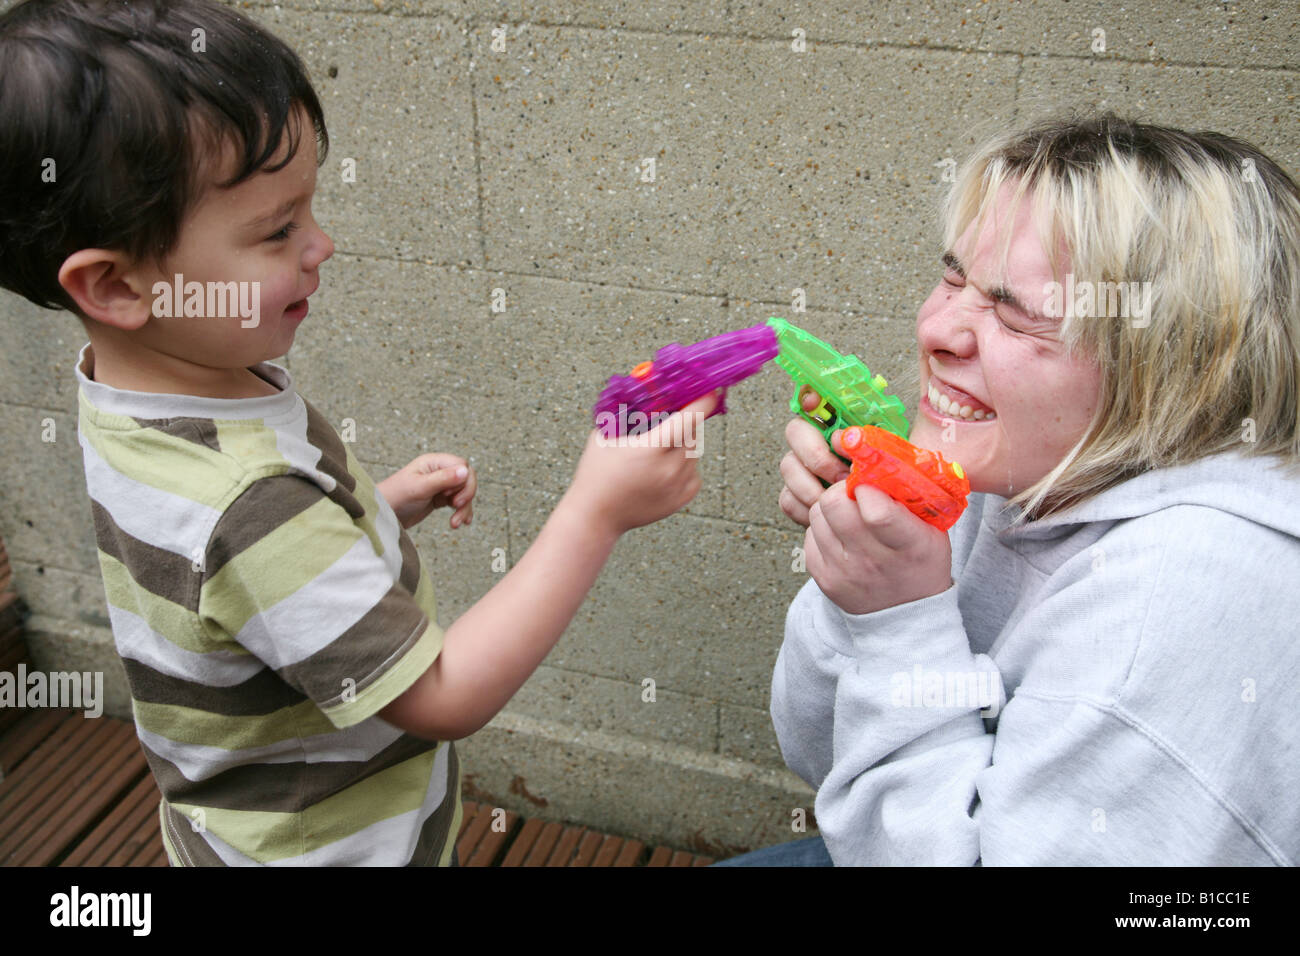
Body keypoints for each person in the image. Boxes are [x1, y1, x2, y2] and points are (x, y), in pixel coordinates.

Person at [0, 0, 714, 865]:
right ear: (114, 287)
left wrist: (372, 512)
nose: (322, 244)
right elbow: (443, 694)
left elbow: (226, 583)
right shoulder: (248, 502)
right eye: (276, 230)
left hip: (232, 827)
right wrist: (594, 512)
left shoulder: (135, 398)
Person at [754, 115, 1300, 865]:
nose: (940, 329)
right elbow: (820, 756)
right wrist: (856, 583)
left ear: (1170, 367)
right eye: (953, 276)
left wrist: (899, 621)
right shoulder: (1017, 460)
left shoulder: (1181, 600)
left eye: (1019, 312)